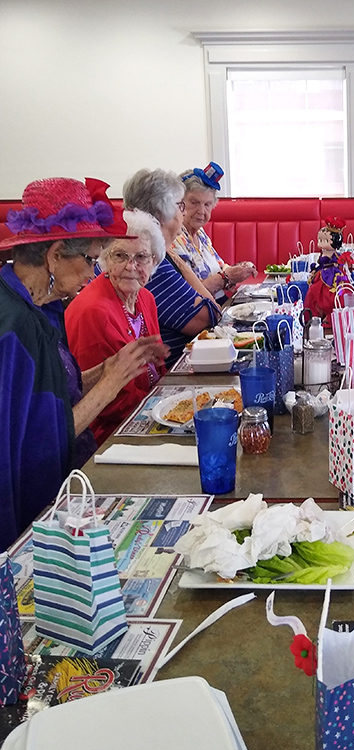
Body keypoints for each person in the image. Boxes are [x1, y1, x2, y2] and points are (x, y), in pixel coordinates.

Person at [0, 177, 167, 550]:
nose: (95, 272)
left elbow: (55, 393)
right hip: (37, 514)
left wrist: (107, 369)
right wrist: (111, 383)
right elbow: (41, 441)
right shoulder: (14, 326)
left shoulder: (40, 306)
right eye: (92, 259)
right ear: (55, 255)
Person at [65, 210, 169, 444]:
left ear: (154, 261)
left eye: (141, 257)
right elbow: (111, 406)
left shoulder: (146, 299)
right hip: (107, 435)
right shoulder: (94, 311)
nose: (131, 266)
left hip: (147, 413)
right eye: (120, 256)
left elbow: (156, 369)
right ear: (104, 260)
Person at [122, 168, 223, 366]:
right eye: (181, 205)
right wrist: (179, 263)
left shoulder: (146, 252)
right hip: (167, 373)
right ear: (162, 214)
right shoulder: (149, 262)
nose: (183, 213)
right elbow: (209, 316)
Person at [173, 162, 256, 299]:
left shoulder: (200, 234)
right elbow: (188, 295)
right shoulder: (173, 240)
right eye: (194, 202)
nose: (201, 211)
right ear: (178, 202)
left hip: (219, 305)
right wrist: (227, 277)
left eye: (207, 204)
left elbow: (221, 267)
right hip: (202, 314)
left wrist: (240, 269)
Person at [304, 217, 353, 324]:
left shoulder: (335, 256)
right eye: (320, 240)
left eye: (325, 240)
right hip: (321, 273)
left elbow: (338, 261)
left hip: (331, 276)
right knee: (314, 293)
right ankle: (315, 316)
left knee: (333, 296)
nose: (321, 243)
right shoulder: (322, 254)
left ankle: (332, 316)